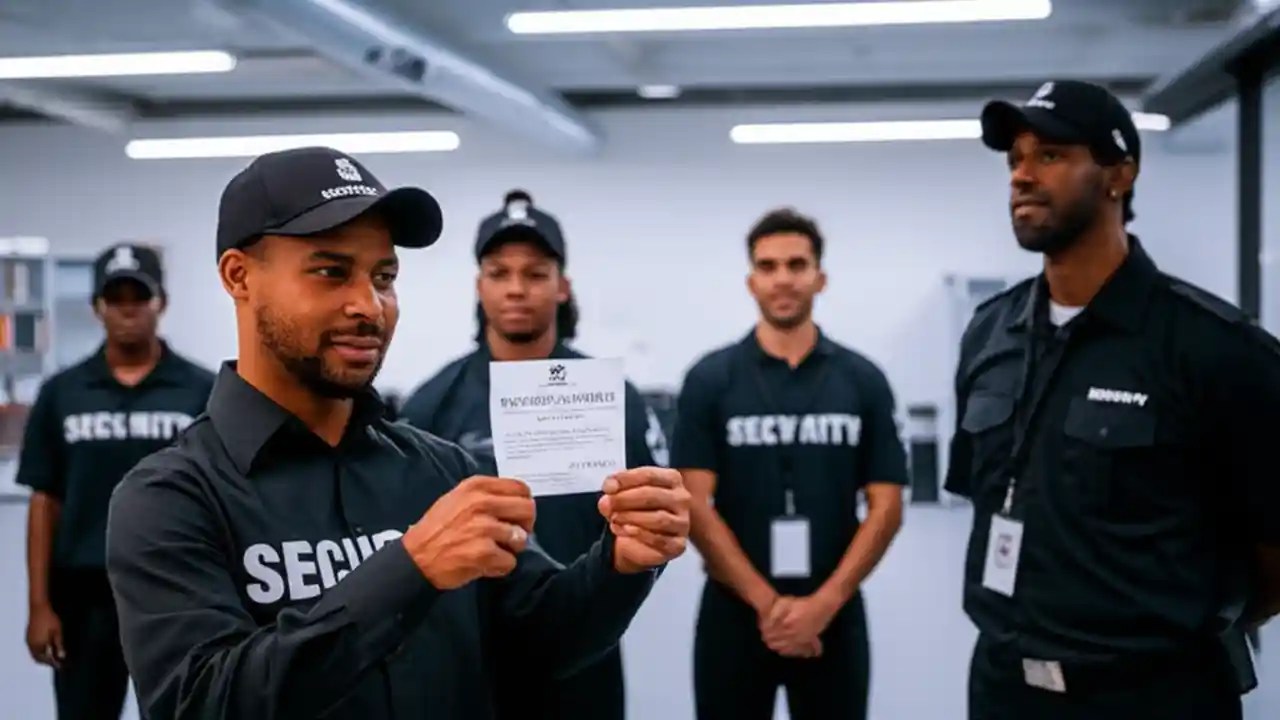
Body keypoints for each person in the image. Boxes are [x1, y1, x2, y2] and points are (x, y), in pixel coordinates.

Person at [103, 147, 692, 720]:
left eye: (383, 277)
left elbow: (541, 641)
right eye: (331, 272)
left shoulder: (442, 470)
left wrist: (621, 564)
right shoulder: (170, 499)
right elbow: (202, 703)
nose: (369, 306)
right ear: (239, 276)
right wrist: (410, 570)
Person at [946, 79, 1280, 720]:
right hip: (1005, 689)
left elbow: (1275, 551)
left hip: (1152, 695)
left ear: (1119, 175)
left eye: (1050, 155)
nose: (1021, 176)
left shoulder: (1213, 346)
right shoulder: (989, 334)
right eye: (1015, 158)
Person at [398, 190, 669, 720]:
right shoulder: (432, 404)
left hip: (586, 657)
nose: (516, 288)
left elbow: (651, 528)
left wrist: (609, 596)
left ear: (562, 285)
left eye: (535, 273)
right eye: (499, 273)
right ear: (479, 286)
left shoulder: (613, 400)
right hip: (473, 662)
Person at [669, 208, 909, 720]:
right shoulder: (710, 379)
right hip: (734, 611)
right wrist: (768, 605)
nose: (783, 278)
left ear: (820, 277)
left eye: (797, 265)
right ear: (751, 281)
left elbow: (887, 505)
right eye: (768, 266)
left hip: (834, 610)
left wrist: (822, 605)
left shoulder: (862, 380)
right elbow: (694, 503)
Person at [19, 243, 214, 720]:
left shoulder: (202, 390)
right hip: (84, 594)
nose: (128, 309)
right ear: (97, 307)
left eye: (139, 297)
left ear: (161, 303)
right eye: (115, 298)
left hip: (177, 590)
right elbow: (45, 500)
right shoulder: (61, 393)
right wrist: (39, 605)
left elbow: (222, 496)